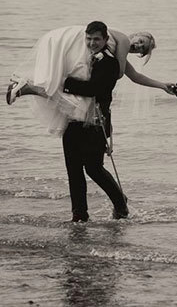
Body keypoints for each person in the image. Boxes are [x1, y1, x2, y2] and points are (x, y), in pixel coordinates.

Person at [6, 25, 174, 135]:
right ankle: (27, 86)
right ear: (137, 34)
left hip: (73, 44)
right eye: (141, 41)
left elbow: (135, 77)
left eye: (142, 49)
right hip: (76, 43)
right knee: (70, 93)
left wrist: (162, 86)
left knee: (69, 94)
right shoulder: (122, 40)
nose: (138, 45)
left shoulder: (116, 54)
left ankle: (25, 87)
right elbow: (120, 73)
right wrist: (108, 70)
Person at [61, 22, 129, 221]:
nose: (92, 43)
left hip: (96, 122)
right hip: (74, 119)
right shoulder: (82, 59)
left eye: (97, 39)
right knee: (73, 170)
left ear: (106, 40)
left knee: (94, 168)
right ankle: (79, 216)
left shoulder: (109, 63)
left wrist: (63, 82)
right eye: (89, 39)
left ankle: (121, 205)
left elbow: (93, 89)